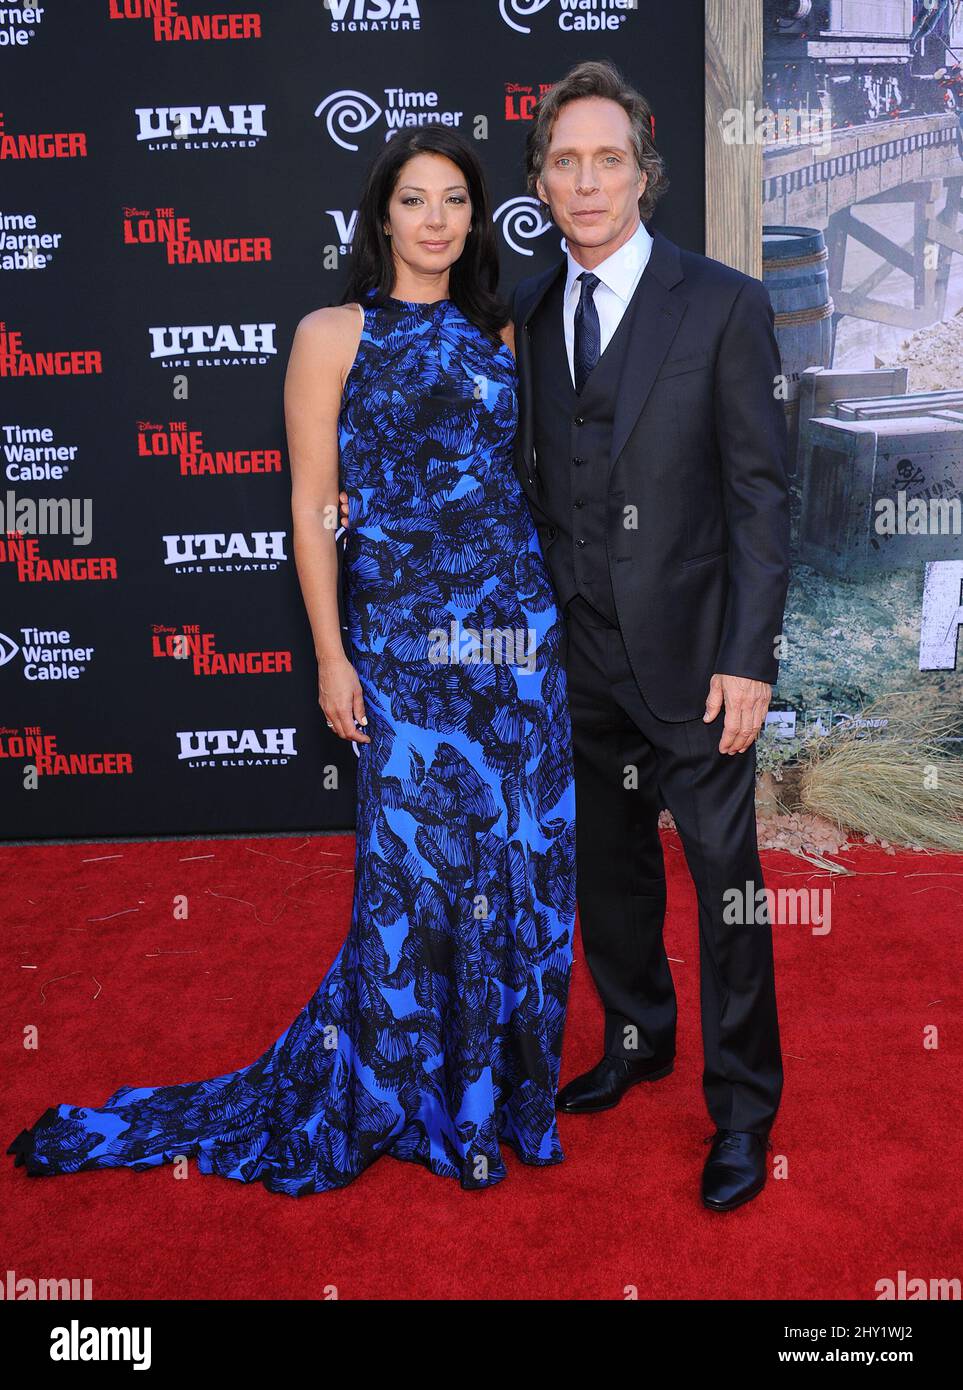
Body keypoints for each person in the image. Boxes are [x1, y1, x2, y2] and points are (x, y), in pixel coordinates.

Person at [7, 127, 577, 1197]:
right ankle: (403, 1089)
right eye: (416, 200)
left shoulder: (501, 328)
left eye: (456, 200)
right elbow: (314, 510)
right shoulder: (330, 333)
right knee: (415, 880)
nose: (439, 220)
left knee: (517, 868)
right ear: (382, 215)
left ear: (476, 215)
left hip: (517, 639)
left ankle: (501, 1092)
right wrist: (332, 653)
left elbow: (518, 479)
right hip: (405, 642)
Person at [345, 62, 791, 1212]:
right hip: (566, 663)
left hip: (698, 664)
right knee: (610, 877)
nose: (585, 181)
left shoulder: (727, 304)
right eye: (563, 161)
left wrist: (749, 658)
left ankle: (743, 1110)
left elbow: (760, 497)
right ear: (539, 181)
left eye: (607, 159)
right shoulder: (525, 313)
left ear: (646, 169)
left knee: (727, 888)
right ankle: (637, 1041)